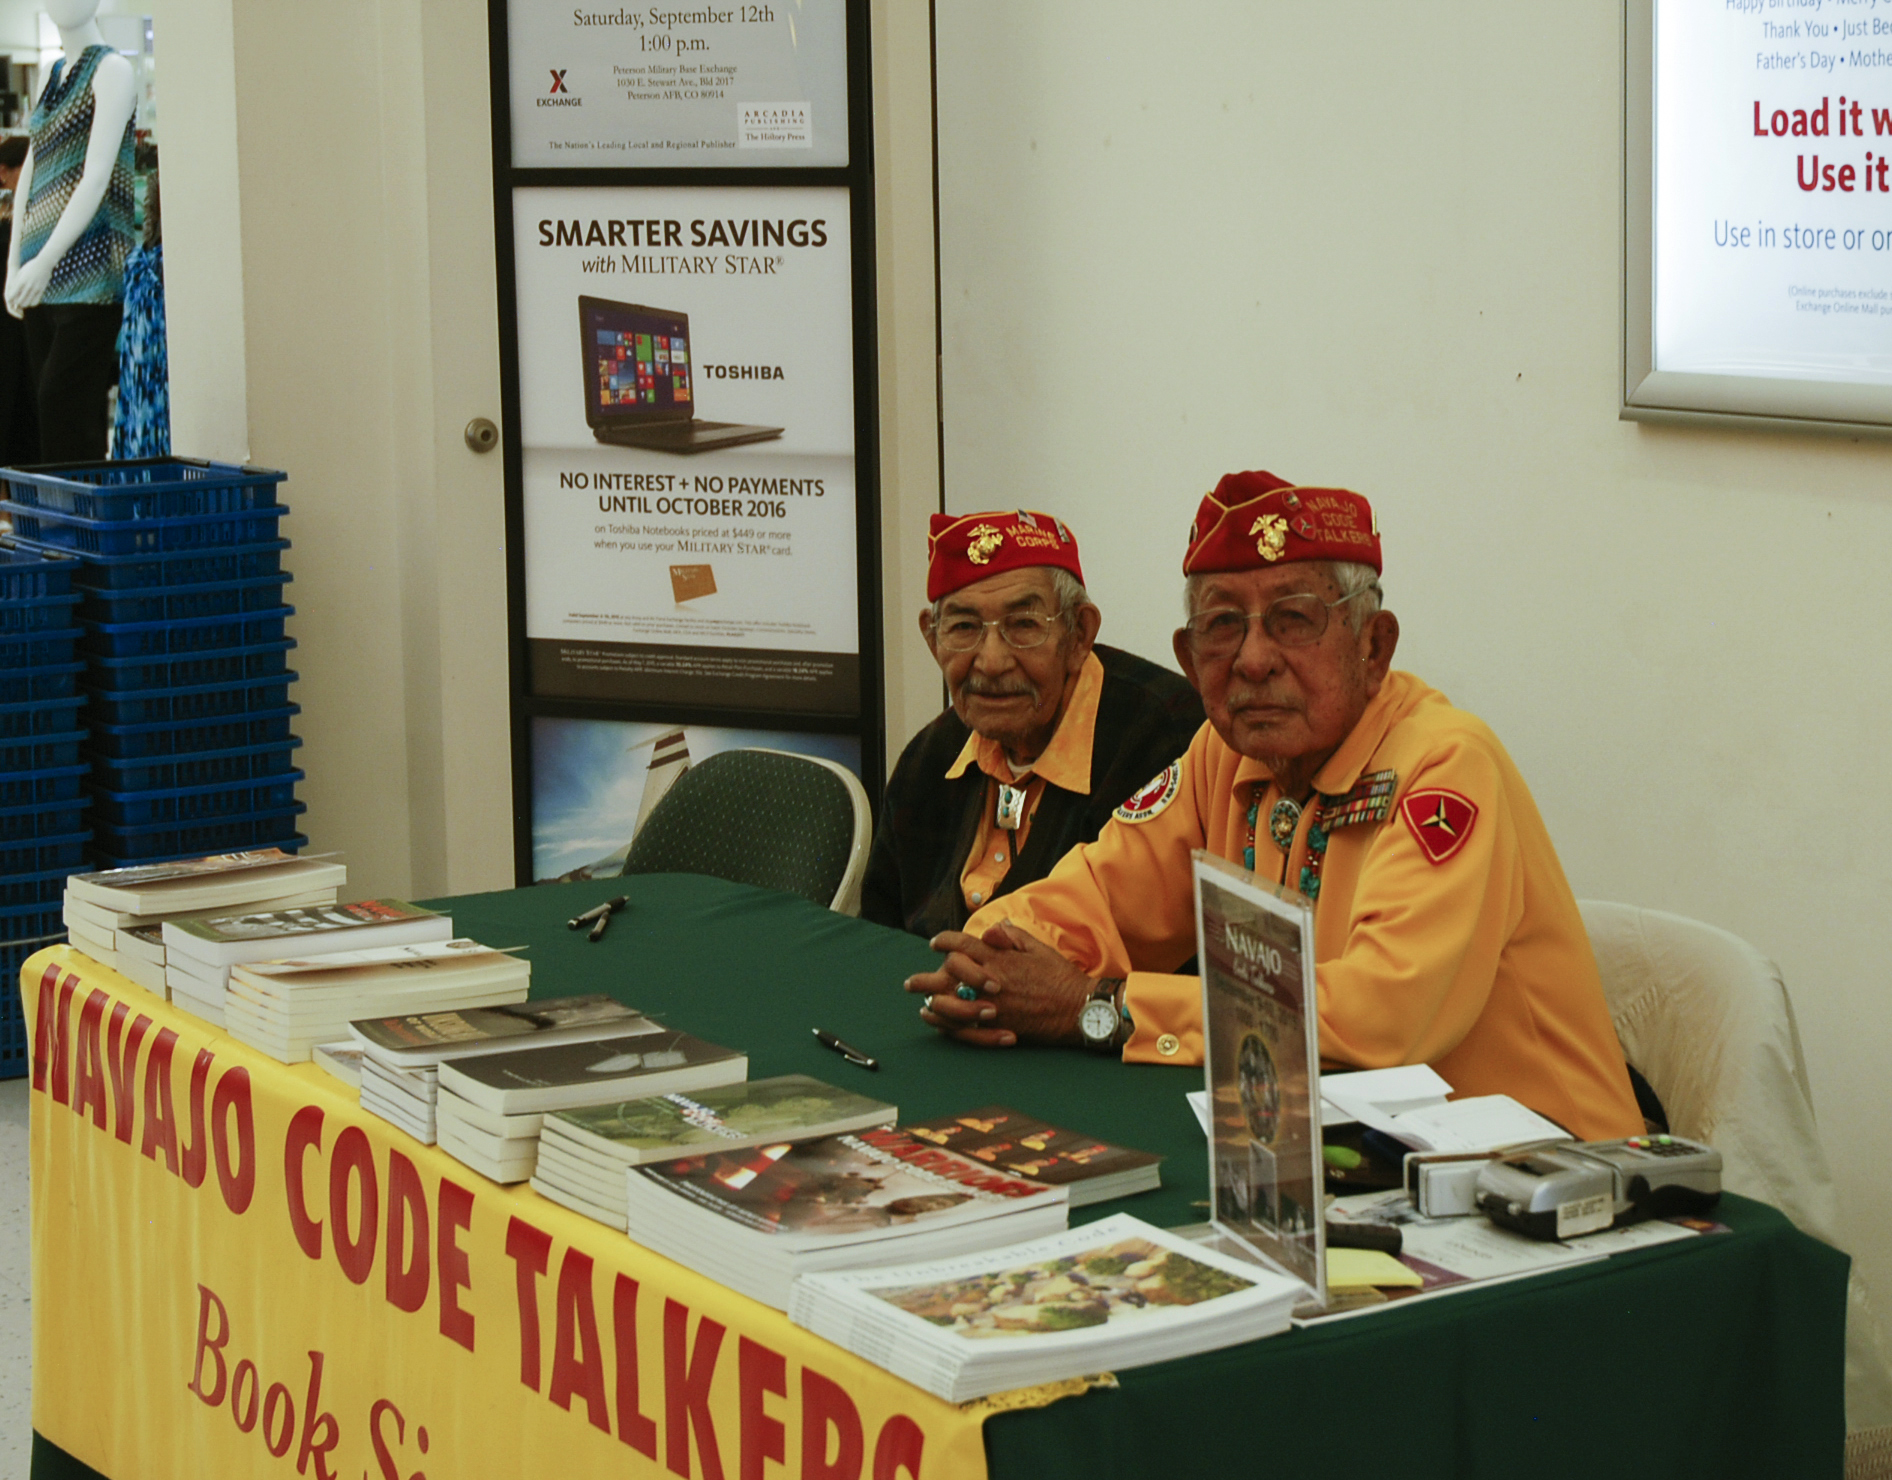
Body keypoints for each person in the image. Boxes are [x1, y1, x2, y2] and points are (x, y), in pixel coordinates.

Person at [905, 471, 1641, 1142]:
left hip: (1541, 1166)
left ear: (1374, 646)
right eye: (1224, 626)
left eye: (1294, 619)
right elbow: (1095, 894)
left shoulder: (1445, 765)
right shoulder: (1222, 752)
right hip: (1328, 1147)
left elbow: (1381, 1018)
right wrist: (991, 958)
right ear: (1190, 660)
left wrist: (1102, 1007)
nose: (1254, 660)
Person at [862, 509, 1204, 938]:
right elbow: (877, 935)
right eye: (964, 627)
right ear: (933, 639)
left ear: (1078, 634)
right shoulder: (929, 759)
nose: (991, 662)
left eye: (1023, 625)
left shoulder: (1168, 741)